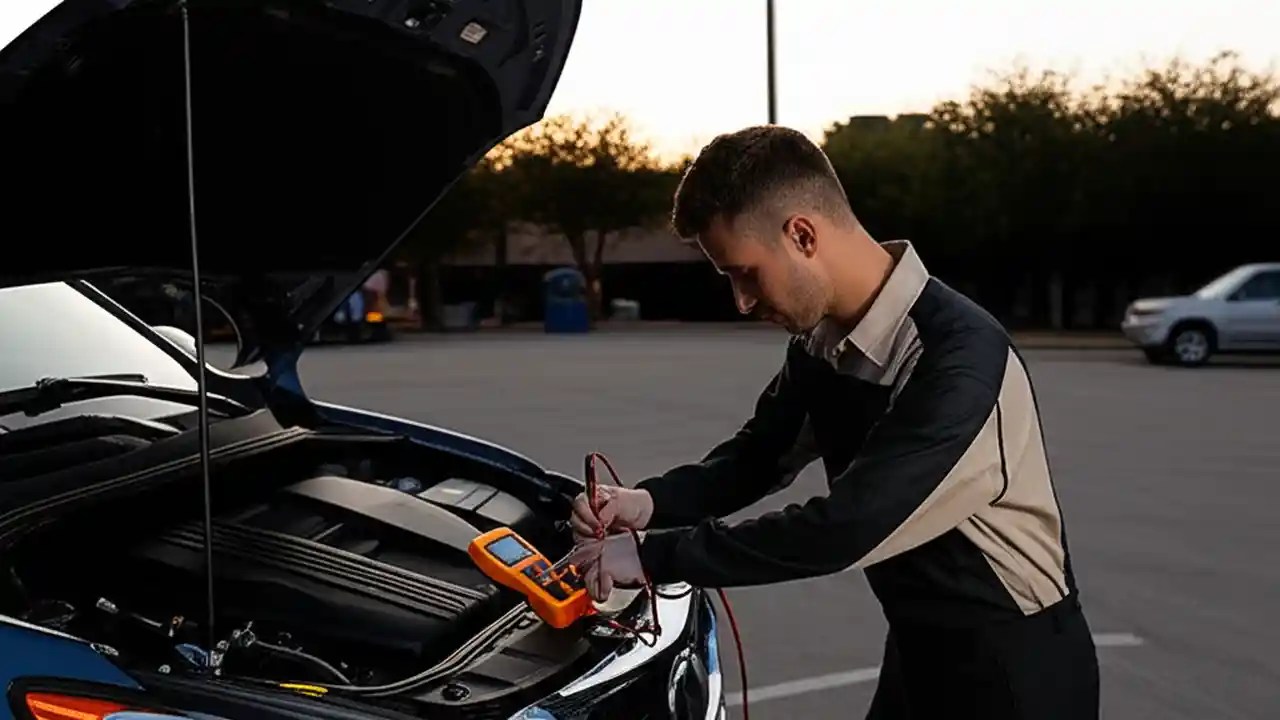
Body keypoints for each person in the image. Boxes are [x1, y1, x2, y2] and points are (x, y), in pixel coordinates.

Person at [566, 125, 1100, 719]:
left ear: (802, 235)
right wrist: (648, 504)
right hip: (919, 651)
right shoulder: (823, 341)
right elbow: (757, 457)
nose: (741, 302)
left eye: (745, 272)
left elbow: (847, 527)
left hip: (1014, 670)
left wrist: (650, 558)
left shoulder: (960, 360)